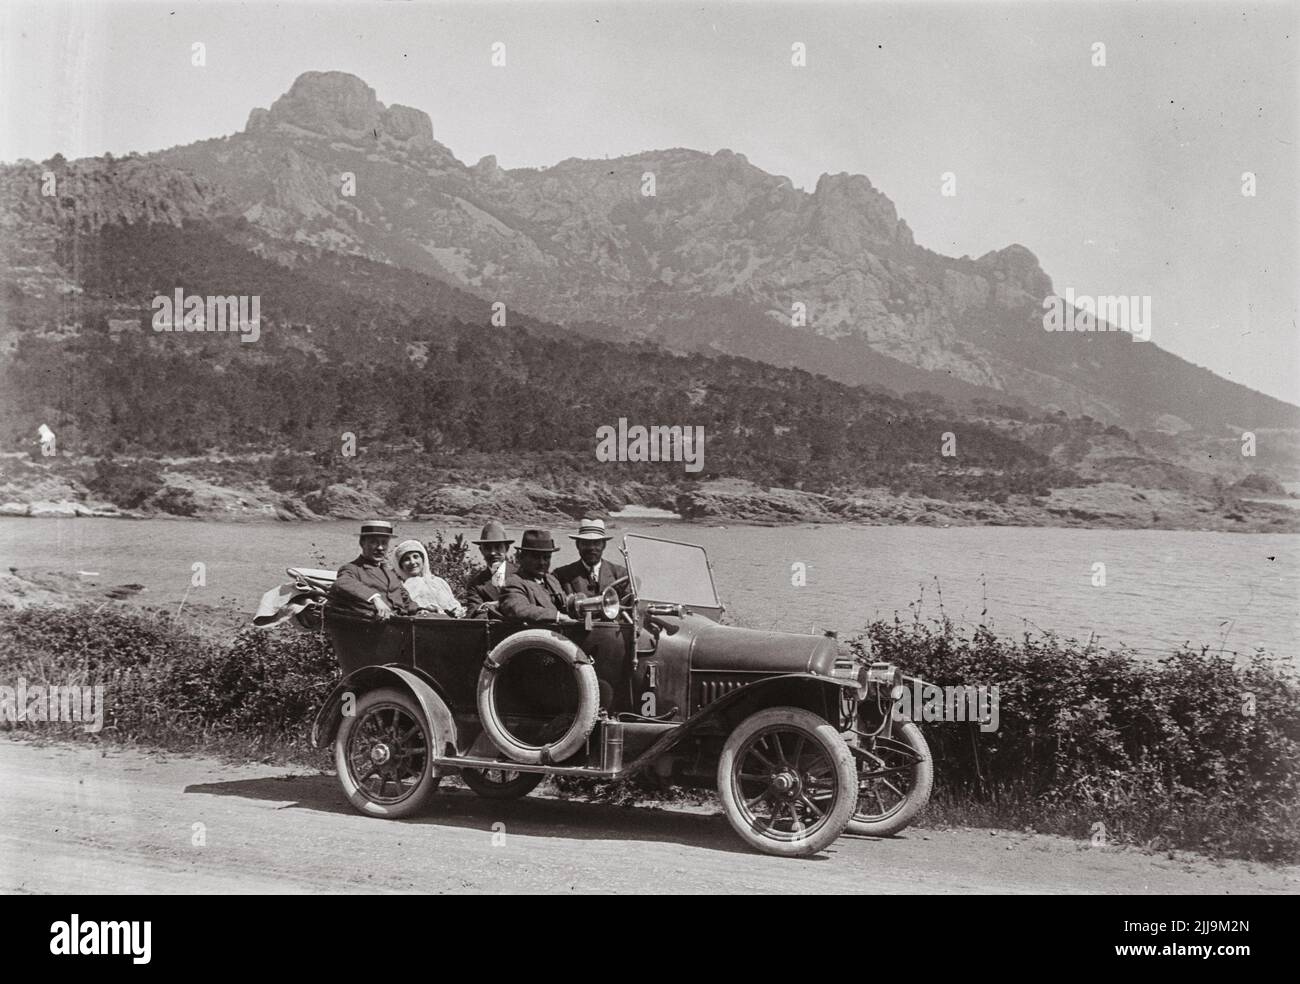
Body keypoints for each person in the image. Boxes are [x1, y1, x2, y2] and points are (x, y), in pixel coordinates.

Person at [329, 520, 417, 620]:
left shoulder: (390, 573)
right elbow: (342, 582)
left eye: (384, 543)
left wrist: (420, 610)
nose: (380, 548)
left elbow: (405, 599)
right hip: (378, 627)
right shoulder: (352, 568)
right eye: (373, 542)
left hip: (402, 623)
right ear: (362, 543)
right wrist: (375, 598)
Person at [498, 530, 579, 625]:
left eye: (546, 557)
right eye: (536, 557)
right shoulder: (514, 583)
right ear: (522, 557)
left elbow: (565, 605)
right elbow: (520, 609)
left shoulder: (551, 580)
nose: (542, 563)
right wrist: (558, 616)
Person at [553, 518, 627, 612]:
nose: (591, 548)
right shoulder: (561, 575)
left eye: (596, 543)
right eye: (586, 543)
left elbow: (631, 605)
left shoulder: (621, 574)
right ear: (577, 545)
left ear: (604, 545)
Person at [394, 539, 466, 618]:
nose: (412, 562)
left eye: (415, 557)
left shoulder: (438, 582)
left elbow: (453, 605)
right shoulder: (401, 587)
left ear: (423, 559)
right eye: (406, 559)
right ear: (401, 565)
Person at [464, 521, 515, 609]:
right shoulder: (476, 584)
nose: (493, 552)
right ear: (481, 550)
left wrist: (494, 605)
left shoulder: (522, 575)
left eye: (498, 547)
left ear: (506, 548)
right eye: (488, 548)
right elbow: (475, 613)